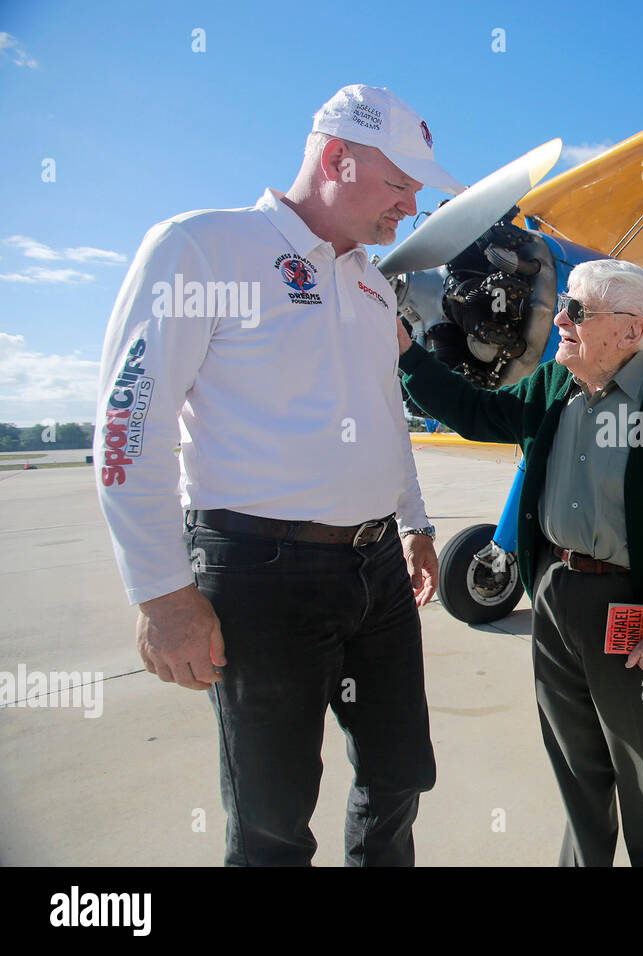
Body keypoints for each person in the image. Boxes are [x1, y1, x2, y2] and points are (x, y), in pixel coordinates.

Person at [94, 84, 464, 866]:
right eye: (400, 186)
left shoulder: (370, 282)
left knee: (402, 774)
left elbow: (386, 416)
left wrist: (414, 522)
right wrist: (162, 593)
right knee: (272, 821)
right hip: (261, 573)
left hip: (377, 571)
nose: (410, 209)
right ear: (336, 158)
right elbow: (131, 423)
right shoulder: (202, 247)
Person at [396, 258, 643, 866]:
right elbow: (479, 414)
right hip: (556, 596)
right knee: (576, 771)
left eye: (577, 311)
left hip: (637, 610)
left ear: (631, 332)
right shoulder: (554, 385)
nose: (558, 318)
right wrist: (406, 355)